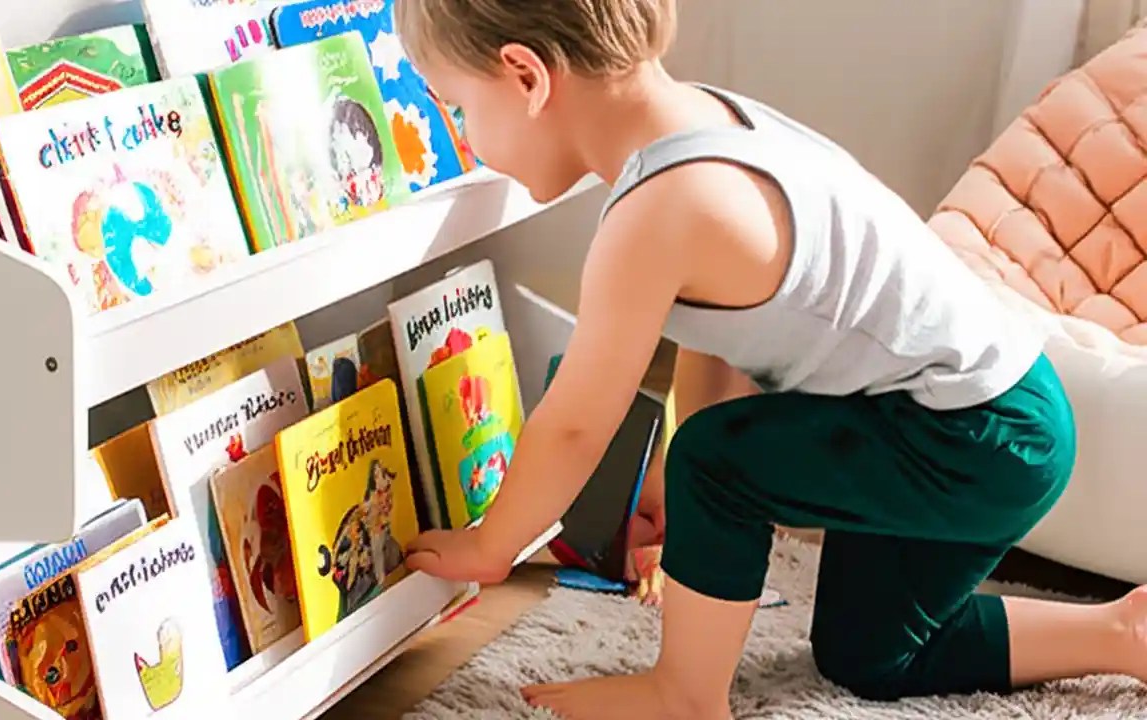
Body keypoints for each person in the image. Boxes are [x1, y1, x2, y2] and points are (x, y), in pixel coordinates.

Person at [394, 1, 1147, 718]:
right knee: (868, 653)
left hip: (973, 435)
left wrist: (491, 545)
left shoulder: (655, 212)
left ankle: (686, 699)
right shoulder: (699, 125)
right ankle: (1123, 633)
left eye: (460, 107)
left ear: (527, 76)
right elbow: (716, 334)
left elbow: (573, 428)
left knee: (713, 464)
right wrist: (683, 508)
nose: (465, 134)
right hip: (987, 413)